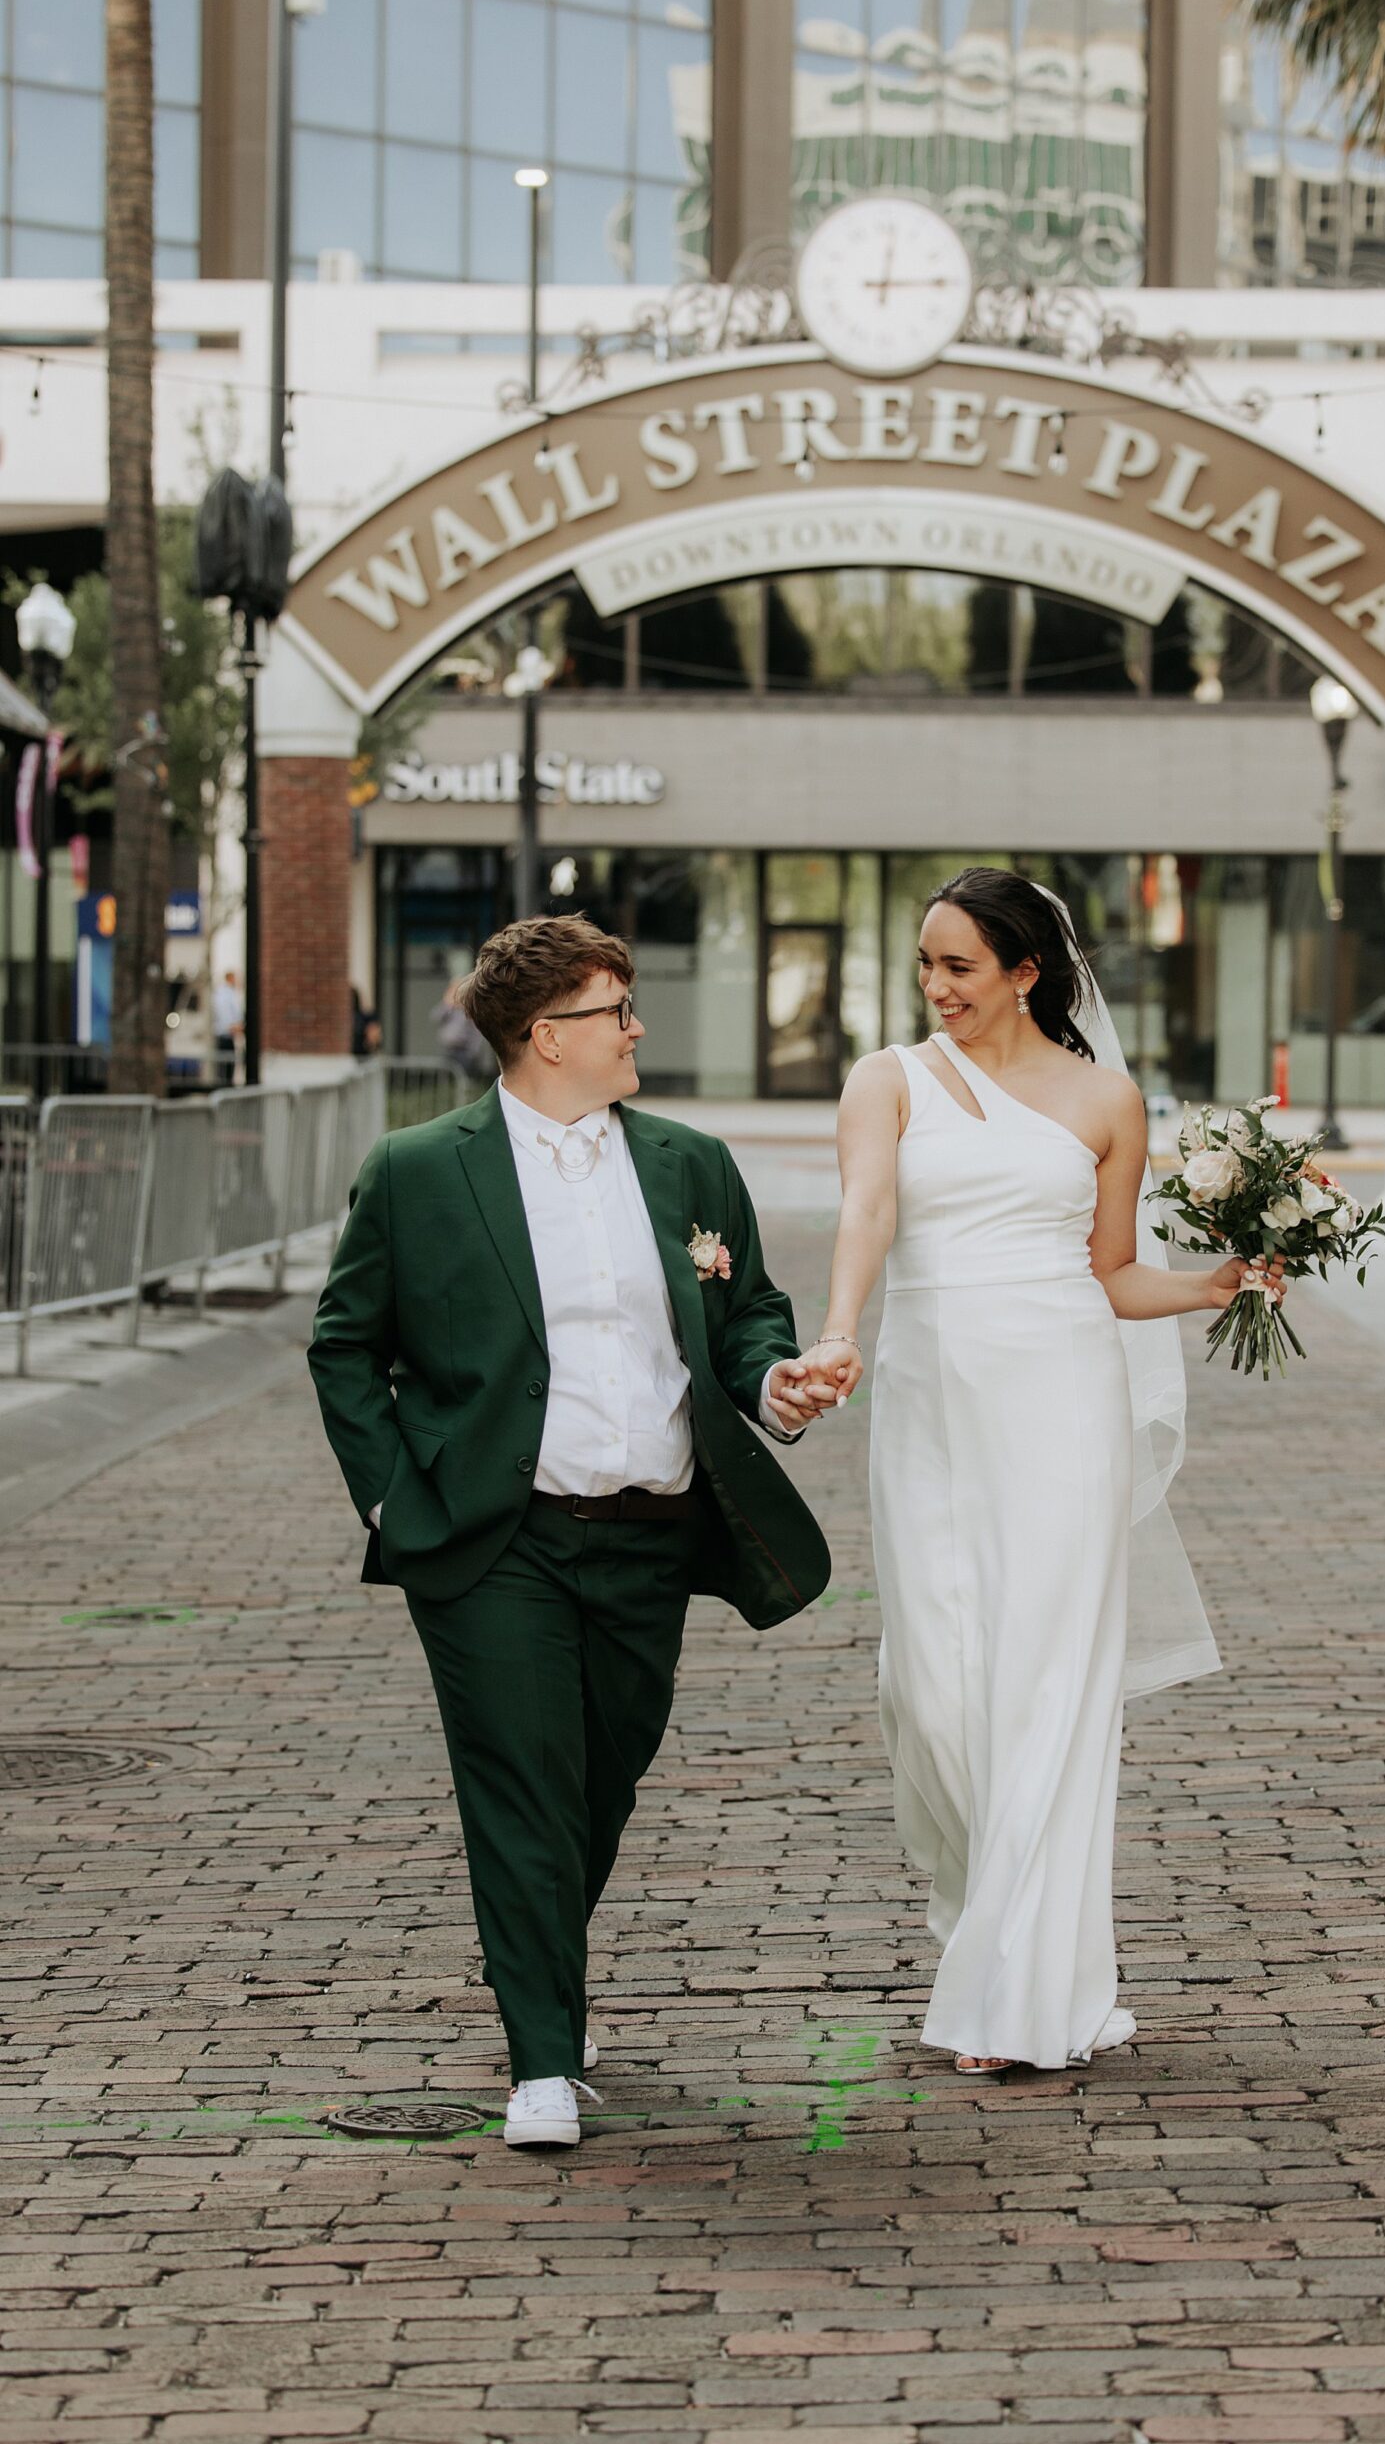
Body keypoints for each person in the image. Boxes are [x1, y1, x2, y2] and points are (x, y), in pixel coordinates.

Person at [308, 914, 837, 2150]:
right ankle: (540, 2054)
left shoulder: (691, 1162)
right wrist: (394, 1495)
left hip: (651, 1530)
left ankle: (545, 1967)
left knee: (604, 1773)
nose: (637, 1027)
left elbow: (749, 1307)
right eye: (616, 1009)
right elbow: (345, 1343)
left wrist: (772, 1384)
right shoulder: (418, 1171)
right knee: (520, 1780)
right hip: (495, 1538)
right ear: (547, 1036)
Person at [794, 870, 1242, 2077]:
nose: (937, 988)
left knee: (1050, 1687)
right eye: (926, 966)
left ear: (1027, 973)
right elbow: (867, 1210)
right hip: (933, 1408)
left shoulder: (1107, 1099)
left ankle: (1024, 1988)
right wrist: (838, 1329)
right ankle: (985, 1923)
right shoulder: (887, 1079)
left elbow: (1112, 1271)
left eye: (961, 968)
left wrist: (1209, 1287)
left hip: (1062, 1405)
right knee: (933, 1687)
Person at [211, 969, 243, 1083]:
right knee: (226, 1070)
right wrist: (235, 1027)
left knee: (228, 1067)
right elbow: (226, 1017)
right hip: (225, 1035)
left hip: (227, 1035)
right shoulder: (225, 995)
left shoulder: (228, 993)